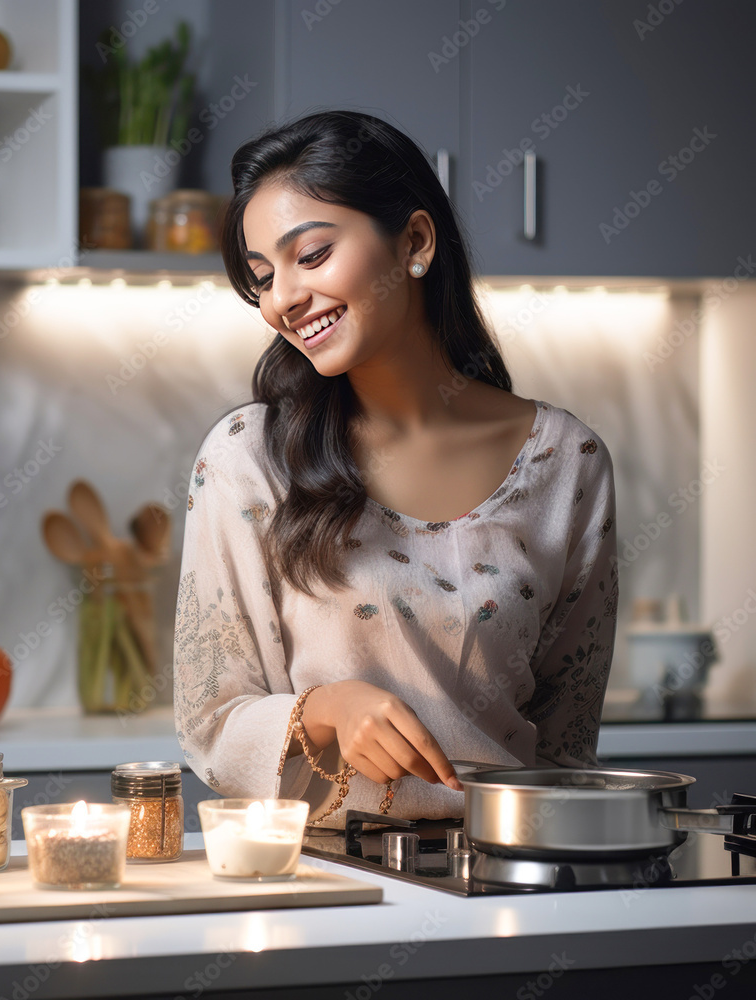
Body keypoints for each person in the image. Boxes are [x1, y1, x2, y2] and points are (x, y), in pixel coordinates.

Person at [172, 110, 618, 827]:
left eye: (310, 255)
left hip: (509, 873)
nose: (282, 298)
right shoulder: (248, 459)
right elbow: (211, 722)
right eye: (261, 277)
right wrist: (324, 709)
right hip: (321, 883)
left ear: (414, 240)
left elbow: (566, 747)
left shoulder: (566, 462)